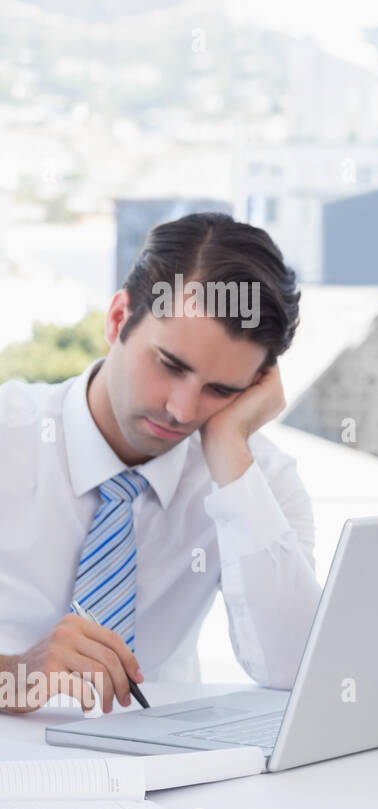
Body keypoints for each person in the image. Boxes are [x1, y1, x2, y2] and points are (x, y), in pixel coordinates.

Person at [0, 212, 321, 714]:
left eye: (222, 390)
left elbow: (295, 669)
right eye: (170, 365)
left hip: (163, 777)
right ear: (117, 318)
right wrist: (13, 674)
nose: (182, 410)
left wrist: (229, 450)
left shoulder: (258, 480)